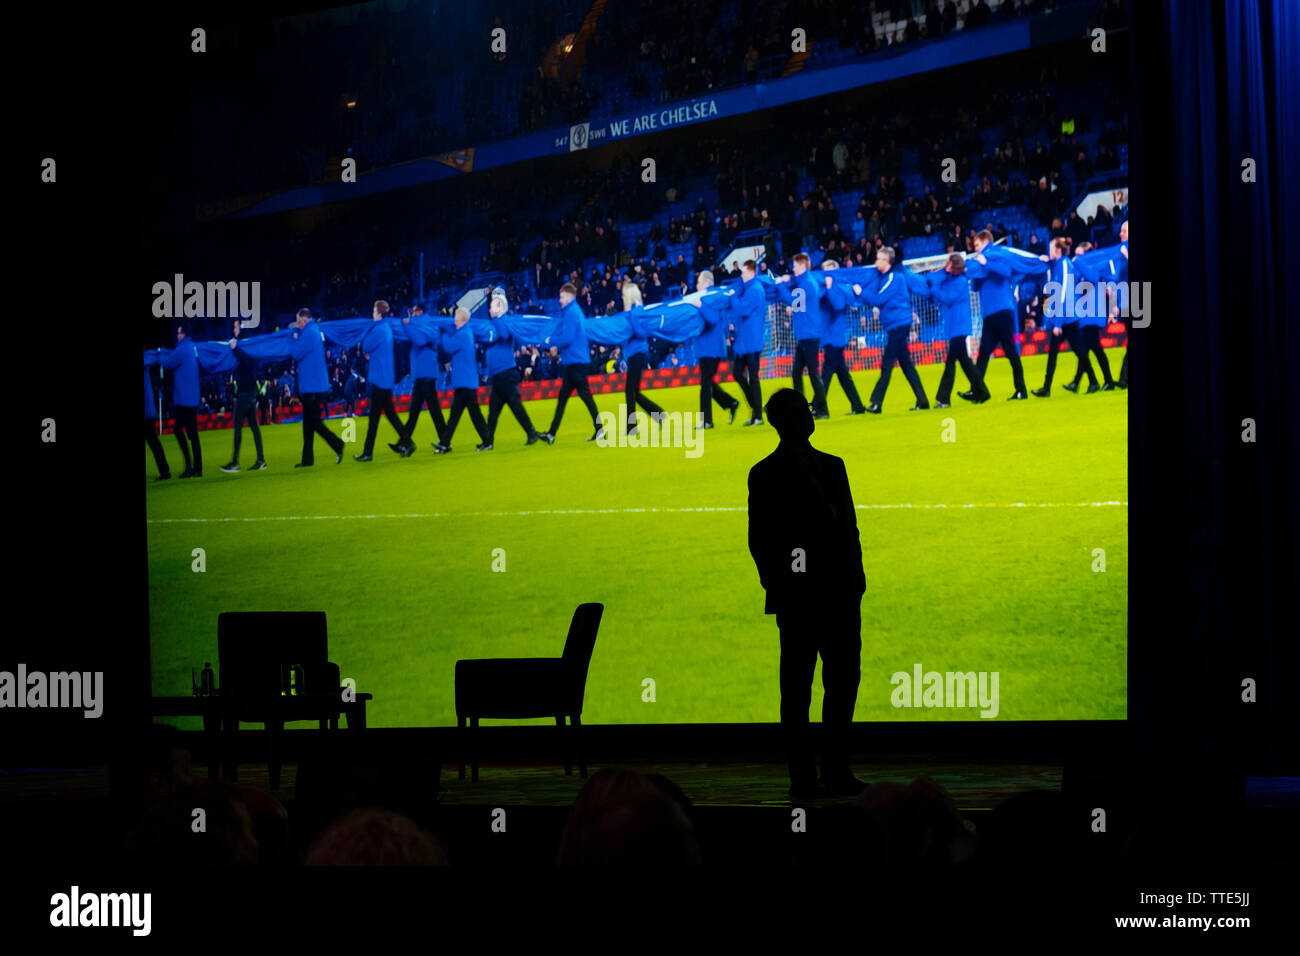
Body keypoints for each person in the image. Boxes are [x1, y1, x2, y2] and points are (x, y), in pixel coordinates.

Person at [748, 389, 868, 799]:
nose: (809, 415)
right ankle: (804, 777)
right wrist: (780, 585)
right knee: (800, 690)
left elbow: (850, 530)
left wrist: (857, 578)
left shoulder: (832, 467)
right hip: (805, 597)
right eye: (801, 411)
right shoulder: (766, 473)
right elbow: (761, 541)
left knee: (840, 682)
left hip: (836, 595)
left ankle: (833, 770)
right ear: (788, 421)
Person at [853, 246, 929, 413]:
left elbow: (879, 299)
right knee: (907, 366)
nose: (875, 262)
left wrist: (860, 292)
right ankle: (922, 400)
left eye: (878, 259)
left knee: (887, 364)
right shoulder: (887, 277)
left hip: (899, 324)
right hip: (896, 324)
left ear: (887, 260)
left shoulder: (894, 277)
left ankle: (876, 402)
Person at [964, 231, 1029, 401]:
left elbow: (1006, 271)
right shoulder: (982, 261)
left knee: (1010, 352)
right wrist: (977, 275)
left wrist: (985, 263)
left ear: (985, 242)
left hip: (1001, 311)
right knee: (984, 353)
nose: (975, 249)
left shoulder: (997, 254)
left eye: (977, 245)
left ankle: (1021, 389)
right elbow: (976, 287)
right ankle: (977, 390)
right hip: (990, 313)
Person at [538, 283, 604, 444]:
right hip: (576, 361)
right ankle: (552, 433)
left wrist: (549, 341)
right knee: (573, 398)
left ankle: (552, 434)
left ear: (568, 297)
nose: (559, 300)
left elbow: (567, 338)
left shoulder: (571, 313)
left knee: (577, 398)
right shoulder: (574, 312)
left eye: (561, 297)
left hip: (575, 362)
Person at [924, 254, 990, 407]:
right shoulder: (953, 280)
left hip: (958, 327)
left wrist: (934, 288)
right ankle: (982, 392)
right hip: (955, 326)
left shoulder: (960, 282)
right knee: (965, 363)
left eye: (948, 264)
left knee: (950, 363)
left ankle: (943, 399)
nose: (946, 266)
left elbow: (948, 298)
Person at [1032, 238, 1093, 397]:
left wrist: (1057, 322)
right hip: (1064, 317)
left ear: (1058, 250)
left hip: (1067, 318)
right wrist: (1046, 261)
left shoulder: (1064, 265)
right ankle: (1047, 387)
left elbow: (1063, 293)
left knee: (1075, 352)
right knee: (1067, 352)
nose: (1049, 251)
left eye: (1051, 248)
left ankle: (1047, 387)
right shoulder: (1060, 264)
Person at [774, 253, 829, 419]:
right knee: (797, 373)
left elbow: (793, 301)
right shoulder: (805, 281)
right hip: (805, 334)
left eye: (795, 266)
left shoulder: (807, 284)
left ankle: (823, 409)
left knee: (813, 373)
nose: (793, 269)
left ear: (803, 266)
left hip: (810, 334)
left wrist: (779, 285)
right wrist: (787, 278)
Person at [356, 300, 413, 461]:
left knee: (374, 419)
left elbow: (366, 346)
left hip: (380, 379)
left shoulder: (379, 329)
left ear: (380, 313)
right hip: (385, 378)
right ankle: (408, 442)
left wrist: (366, 340)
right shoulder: (386, 328)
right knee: (390, 416)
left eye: (374, 311)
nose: (372, 313)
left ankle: (368, 453)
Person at [482, 290, 540, 447]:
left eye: (493, 306)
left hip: (506, 373)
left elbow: (505, 335)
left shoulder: (505, 322)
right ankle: (489, 441)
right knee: (494, 411)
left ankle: (531, 433)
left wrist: (496, 319)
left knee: (513, 407)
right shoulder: (496, 323)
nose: (489, 309)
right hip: (500, 373)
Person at [289, 308, 345, 467]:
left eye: (299, 322)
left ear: (304, 321)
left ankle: (337, 444)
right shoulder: (312, 331)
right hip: (312, 385)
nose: (298, 325)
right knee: (308, 424)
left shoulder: (308, 333)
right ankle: (307, 459)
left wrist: (293, 338)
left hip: (311, 386)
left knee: (314, 423)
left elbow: (296, 353)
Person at [435, 307, 490, 453]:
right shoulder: (464, 333)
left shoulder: (463, 334)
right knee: (458, 415)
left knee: (471, 415)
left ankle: (487, 440)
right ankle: (445, 443)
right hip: (465, 381)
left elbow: (448, 346)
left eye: (457, 317)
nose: (454, 320)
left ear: (463, 319)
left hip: (465, 381)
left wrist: (443, 334)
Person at [816, 259, 867, 414]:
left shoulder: (841, 288)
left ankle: (819, 409)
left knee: (825, 375)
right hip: (830, 336)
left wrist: (830, 287)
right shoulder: (824, 289)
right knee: (843, 375)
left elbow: (838, 305)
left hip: (835, 337)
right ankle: (857, 406)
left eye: (827, 271)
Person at [693, 270, 741, 428]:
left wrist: (700, 305)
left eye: (699, 282)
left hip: (712, 348)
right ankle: (731, 403)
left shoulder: (716, 298)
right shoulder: (705, 298)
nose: (697, 285)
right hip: (704, 347)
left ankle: (707, 421)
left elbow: (713, 318)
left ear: (706, 283)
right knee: (708, 383)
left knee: (705, 384)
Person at [399, 306, 447, 456]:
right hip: (421, 375)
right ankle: (405, 442)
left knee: (432, 410)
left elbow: (419, 341)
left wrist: (407, 326)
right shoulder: (421, 327)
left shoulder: (429, 326)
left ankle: (445, 441)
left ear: (420, 312)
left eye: (414, 312)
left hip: (426, 374)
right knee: (415, 412)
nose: (412, 315)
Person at [221, 321, 267, 472]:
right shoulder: (247, 345)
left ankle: (235, 463)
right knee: (254, 427)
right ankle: (261, 461)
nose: (233, 329)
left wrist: (235, 349)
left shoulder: (246, 346)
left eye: (235, 326)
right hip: (249, 392)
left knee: (238, 427)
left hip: (246, 392)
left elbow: (247, 362)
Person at [160, 322, 202, 477]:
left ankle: (191, 466)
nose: (177, 336)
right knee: (192, 433)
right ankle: (196, 467)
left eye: (179, 333)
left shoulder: (182, 349)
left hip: (184, 399)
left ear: (183, 334)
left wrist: (161, 353)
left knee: (179, 431)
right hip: (192, 398)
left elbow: (167, 363)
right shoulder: (191, 347)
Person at [732, 260, 768, 425]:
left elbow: (743, 310)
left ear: (752, 273)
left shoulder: (755, 290)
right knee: (737, 373)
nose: (741, 275)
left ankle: (758, 415)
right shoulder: (749, 289)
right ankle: (756, 408)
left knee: (753, 378)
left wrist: (733, 297)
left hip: (752, 342)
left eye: (743, 273)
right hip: (746, 341)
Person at [622, 314, 665, 438]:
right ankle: (657, 413)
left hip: (638, 353)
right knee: (634, 392)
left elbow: (642, 333)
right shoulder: (631, 314)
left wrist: (631, 319)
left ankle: (632, 427)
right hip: (633, 354)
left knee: (630, 391)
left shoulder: (637, 313)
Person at [144, 366, 171, 480]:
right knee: (155, 444)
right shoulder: (147, 373)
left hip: (147, 414)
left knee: (154, 443)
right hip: (150, 413)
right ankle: (165, 470)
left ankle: (165, 471)